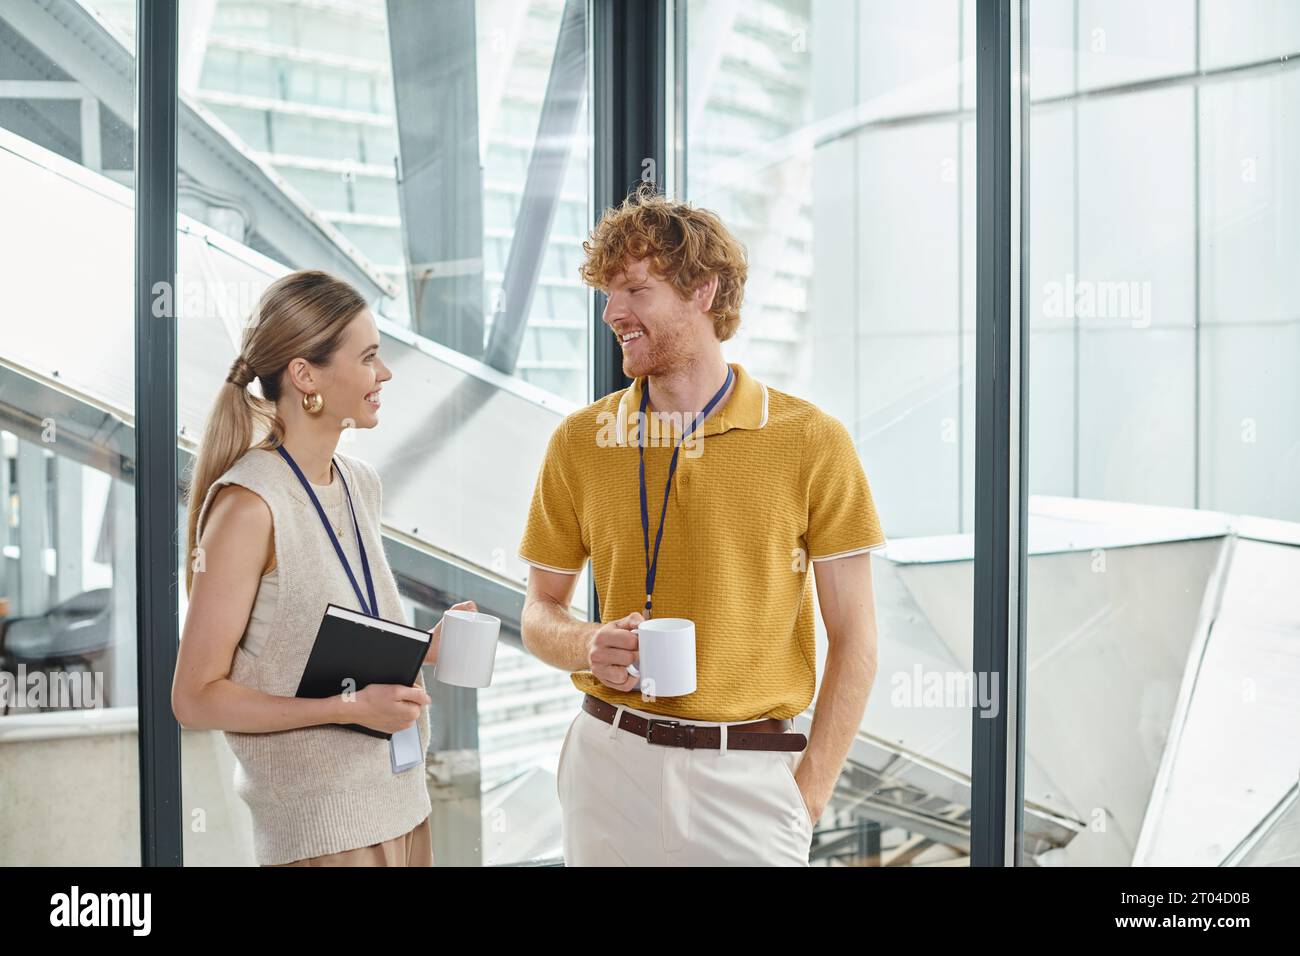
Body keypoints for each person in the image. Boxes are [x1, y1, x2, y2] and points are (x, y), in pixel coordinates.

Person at [518, 183, 885, 865]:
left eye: (634, 290)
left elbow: (857, 636)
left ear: (703, 293)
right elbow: (539, 609)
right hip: (608, 767)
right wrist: (586, 643)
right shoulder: (580, 440)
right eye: (607, 294)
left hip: (747, 781)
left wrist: (807, 795)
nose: (613, 313)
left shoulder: (811, 440)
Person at [173, 268, 473, 867]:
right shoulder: (249, 507)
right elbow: (195, 698)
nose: (383, 374)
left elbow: (323, 638)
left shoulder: (359, 484)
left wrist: (423, 649)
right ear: (305, 375)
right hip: (323, 835)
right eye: (367, 358)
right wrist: (346, 710)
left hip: (402, 808)